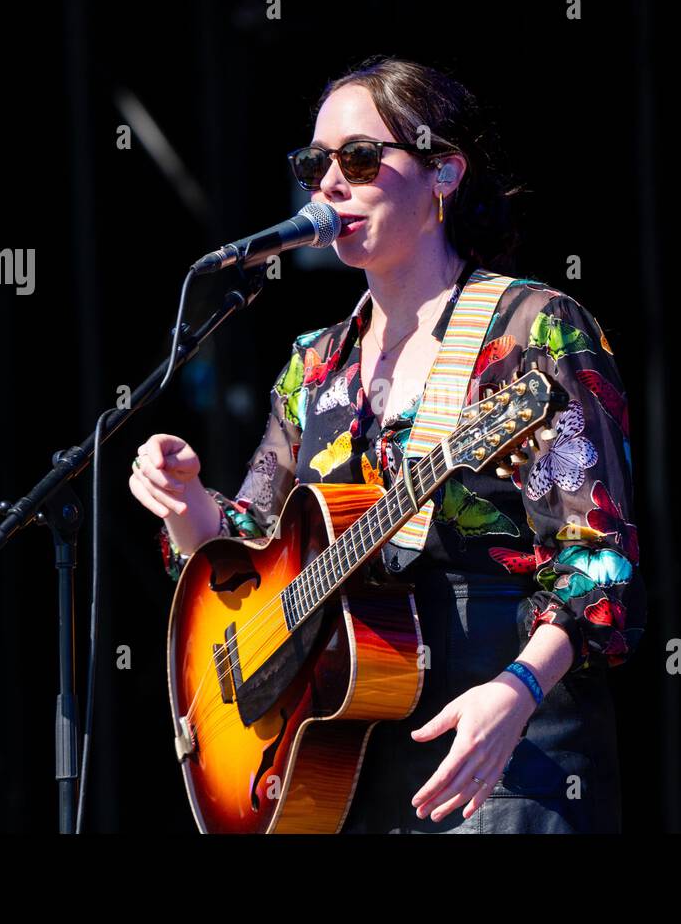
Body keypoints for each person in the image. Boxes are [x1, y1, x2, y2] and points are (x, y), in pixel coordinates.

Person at [130, 56, 643, 833]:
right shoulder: (315, 365)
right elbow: (250, 563)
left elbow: (598, 559)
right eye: (315, 165)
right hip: (346, 754)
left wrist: (519, 688)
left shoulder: (530, 327)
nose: (331, 183)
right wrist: (185, 503)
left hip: (506, 749)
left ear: (443, 173)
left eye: (361, 158)